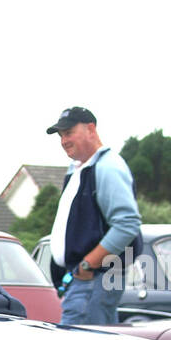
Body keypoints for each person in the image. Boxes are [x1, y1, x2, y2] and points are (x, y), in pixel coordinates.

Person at [45, 106, 142, 325]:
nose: (63, 140)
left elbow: (127, 225)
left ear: (91, 129)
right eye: (61, 136)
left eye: (69, 132)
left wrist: (88, 265)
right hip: (85, 283)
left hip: (92, 281)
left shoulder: (108, 167)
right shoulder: (81, 168)